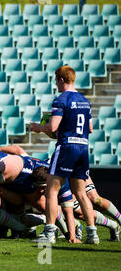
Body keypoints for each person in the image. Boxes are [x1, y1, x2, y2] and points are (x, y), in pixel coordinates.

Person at [31, 65, 99, 244]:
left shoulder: (61, 99)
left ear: (62, 80)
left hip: (67, 147)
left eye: (56, 80)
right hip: (83, 148)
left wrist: (39, 129)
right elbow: (90, 128)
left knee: (51, 191)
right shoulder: (85, 100)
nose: (56, 84)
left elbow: (53, 127)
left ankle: (49, 233)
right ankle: (93, 234)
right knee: (81, 193)